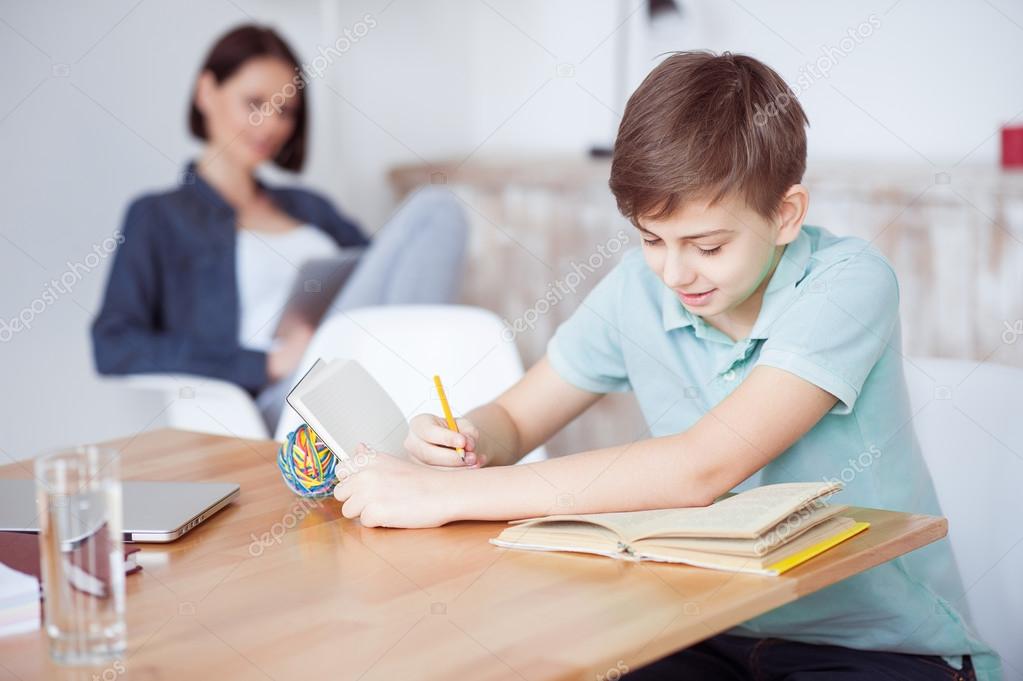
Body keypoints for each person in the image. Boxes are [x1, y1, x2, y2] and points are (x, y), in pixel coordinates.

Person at [332, 52, 998, 680]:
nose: (675, 273)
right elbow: (513, 417)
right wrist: (468, 441)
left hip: (881, 647)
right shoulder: (636, 288)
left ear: (785, 215)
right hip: (706, 626)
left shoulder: (848, 283)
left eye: (706, 246)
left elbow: (701, 467)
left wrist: (442, 496)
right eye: (652, 238)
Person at [92, 25, 467, 430]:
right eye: (254, 103)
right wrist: (266, 363)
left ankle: (403, 393)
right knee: (434, 207)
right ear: (206, 91)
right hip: (275, 400)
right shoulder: (158, 216)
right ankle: (408, 395)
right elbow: (113, 345)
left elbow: (386, 283)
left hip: (356, 367)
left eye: (285, 111)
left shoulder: (310, 207)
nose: (271, 125)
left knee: (438, 211)